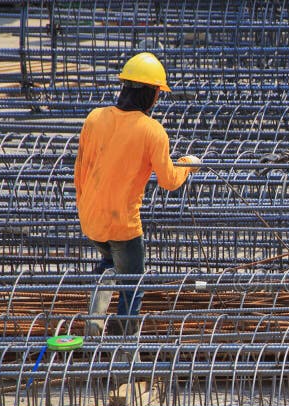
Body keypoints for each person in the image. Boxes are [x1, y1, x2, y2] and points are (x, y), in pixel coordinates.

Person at [74, 52, 201, 335]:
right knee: (133, 286)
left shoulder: (94, 118)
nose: (158, 99)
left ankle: (95, 315)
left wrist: (85, 207)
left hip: (91, 219)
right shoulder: (152, 131)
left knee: (111, 262)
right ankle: (124, 348)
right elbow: (169, 180)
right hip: (123, 225)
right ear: (152, 94)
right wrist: (188, 165)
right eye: (158, 93)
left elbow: (79, 170)